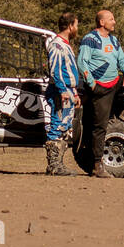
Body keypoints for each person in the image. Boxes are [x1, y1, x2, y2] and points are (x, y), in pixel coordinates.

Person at [77, 9, 124, 179]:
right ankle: (97, 165)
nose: (114, 22)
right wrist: (92, 84)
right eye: (111, 19)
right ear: (102, 22)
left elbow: (122, 59)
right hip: (99, 88)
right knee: (99, 126)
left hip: (114, 84)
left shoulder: (114, 40)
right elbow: (82, 62)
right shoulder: (90, 39)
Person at [44, 12, 81, 176]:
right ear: (70, 26)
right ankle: (54, 166)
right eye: (76, 25)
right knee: (57, 125)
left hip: (67, 91)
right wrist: (62, 90)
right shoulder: (57, 45)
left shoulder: (65, 45)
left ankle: (58, 164)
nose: (77, 29)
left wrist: (74, 93)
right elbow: (56, 70)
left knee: (65, 127)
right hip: (60, 92)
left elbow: (67, 71)